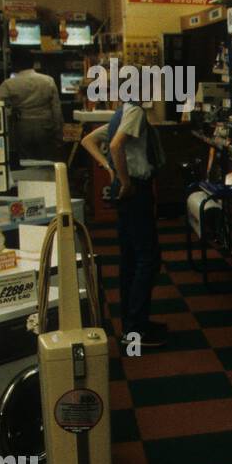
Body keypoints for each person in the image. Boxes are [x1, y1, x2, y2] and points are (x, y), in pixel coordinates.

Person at [81, 101, 167, 348]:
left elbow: (88, 140)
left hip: (130, 190)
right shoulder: (135, 112)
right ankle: (136, 329)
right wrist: (125, 180)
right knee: (147, 258)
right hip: (135, 189)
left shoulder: (121, 113)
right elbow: (116, 144)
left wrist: (109, 168)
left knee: (131, 257)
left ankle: (133, 325)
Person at [0, 47, 63, 162]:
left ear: (15, 64)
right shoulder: (48, 80)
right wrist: (59, 134)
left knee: (26, 162)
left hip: (22, 127)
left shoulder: (9, 84)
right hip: (45, 127)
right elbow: (56, 110)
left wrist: (9, 108)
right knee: (46, 162)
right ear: (33, 63)